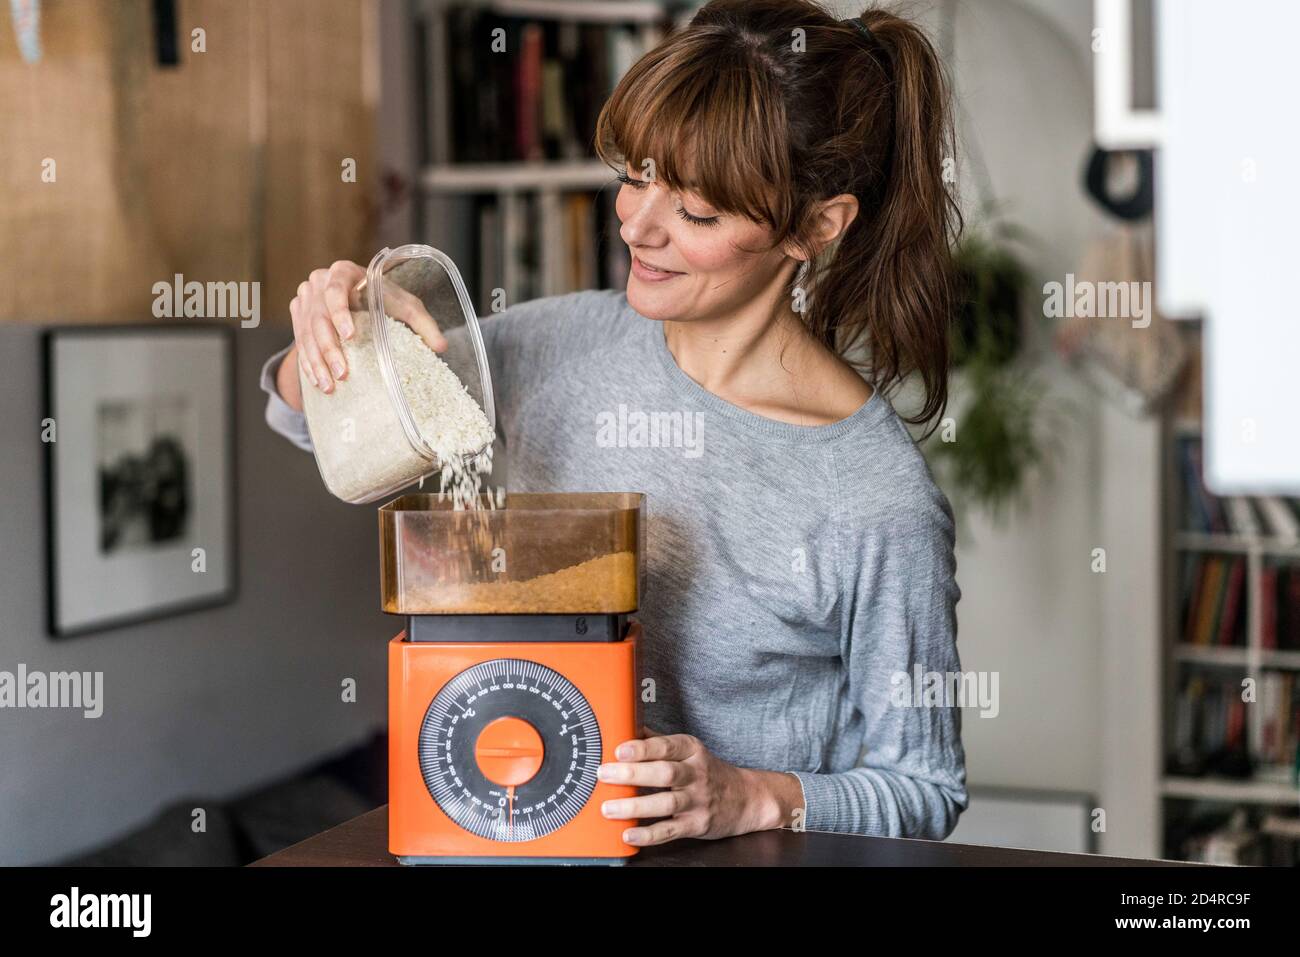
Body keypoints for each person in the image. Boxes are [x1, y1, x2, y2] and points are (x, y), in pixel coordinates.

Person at [262, 0, 968, 846]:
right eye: (638, 174)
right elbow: (313, 423)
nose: (637, 222)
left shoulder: (873, 494)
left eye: (697, 212)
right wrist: (336, 333)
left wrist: (751, 795)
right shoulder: (560, 345)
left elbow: (923, 788)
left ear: (817, 227)